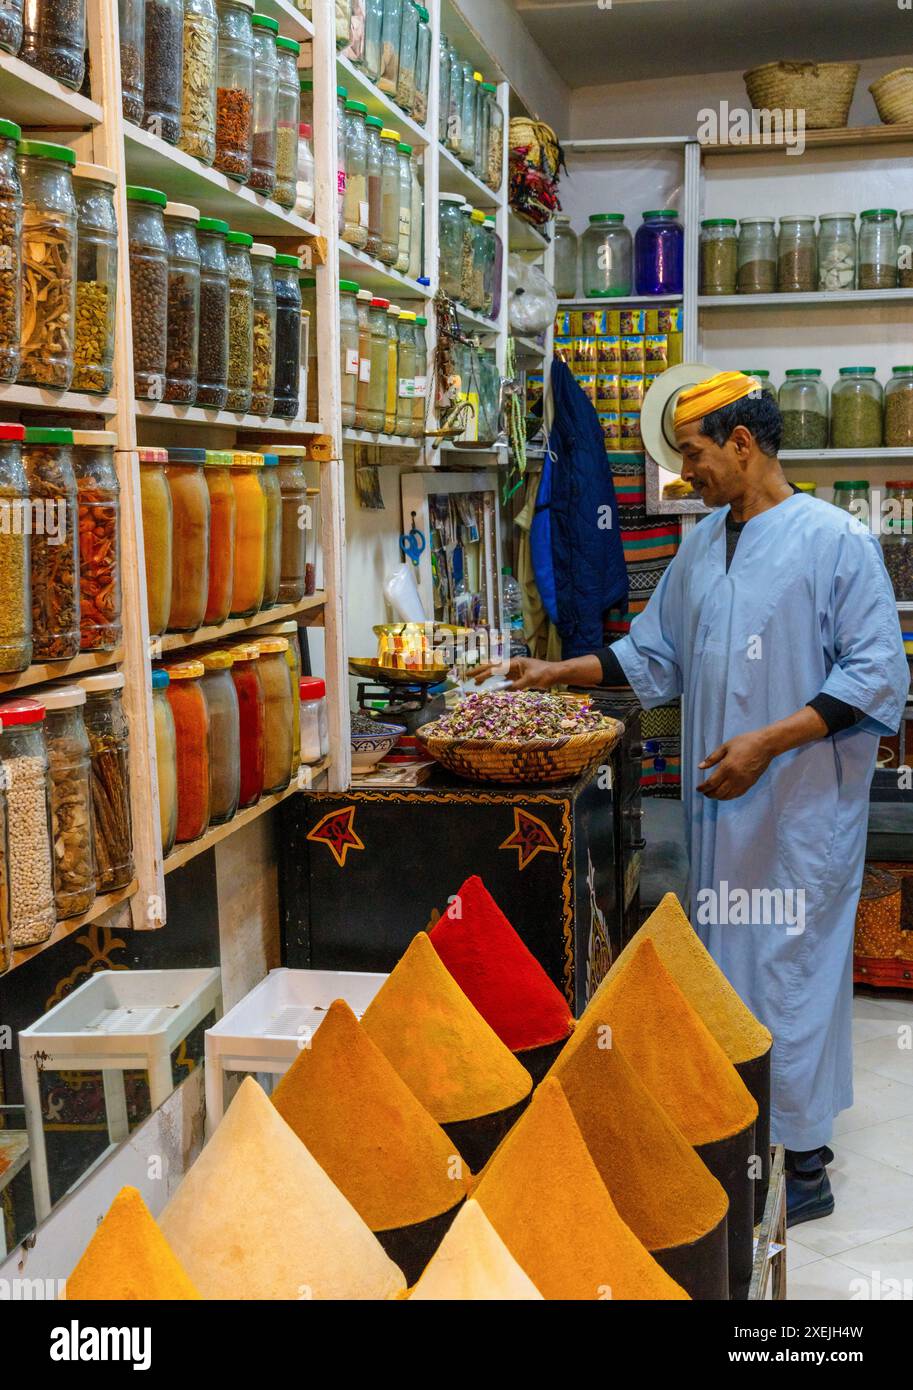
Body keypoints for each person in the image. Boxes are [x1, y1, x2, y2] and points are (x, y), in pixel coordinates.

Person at [480, 371, 909, 1226]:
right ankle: (740, 1128)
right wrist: (557, 671)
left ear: (743, 445)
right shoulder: (704, 542)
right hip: (725, 809)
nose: (688, 474)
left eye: (695, 455)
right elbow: (652, 653)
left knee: (787, 968)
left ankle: (802, 1158)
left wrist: (764, 743)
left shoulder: (835, 542)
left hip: (797, 812)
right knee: (725, 972)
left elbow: (874, 677)